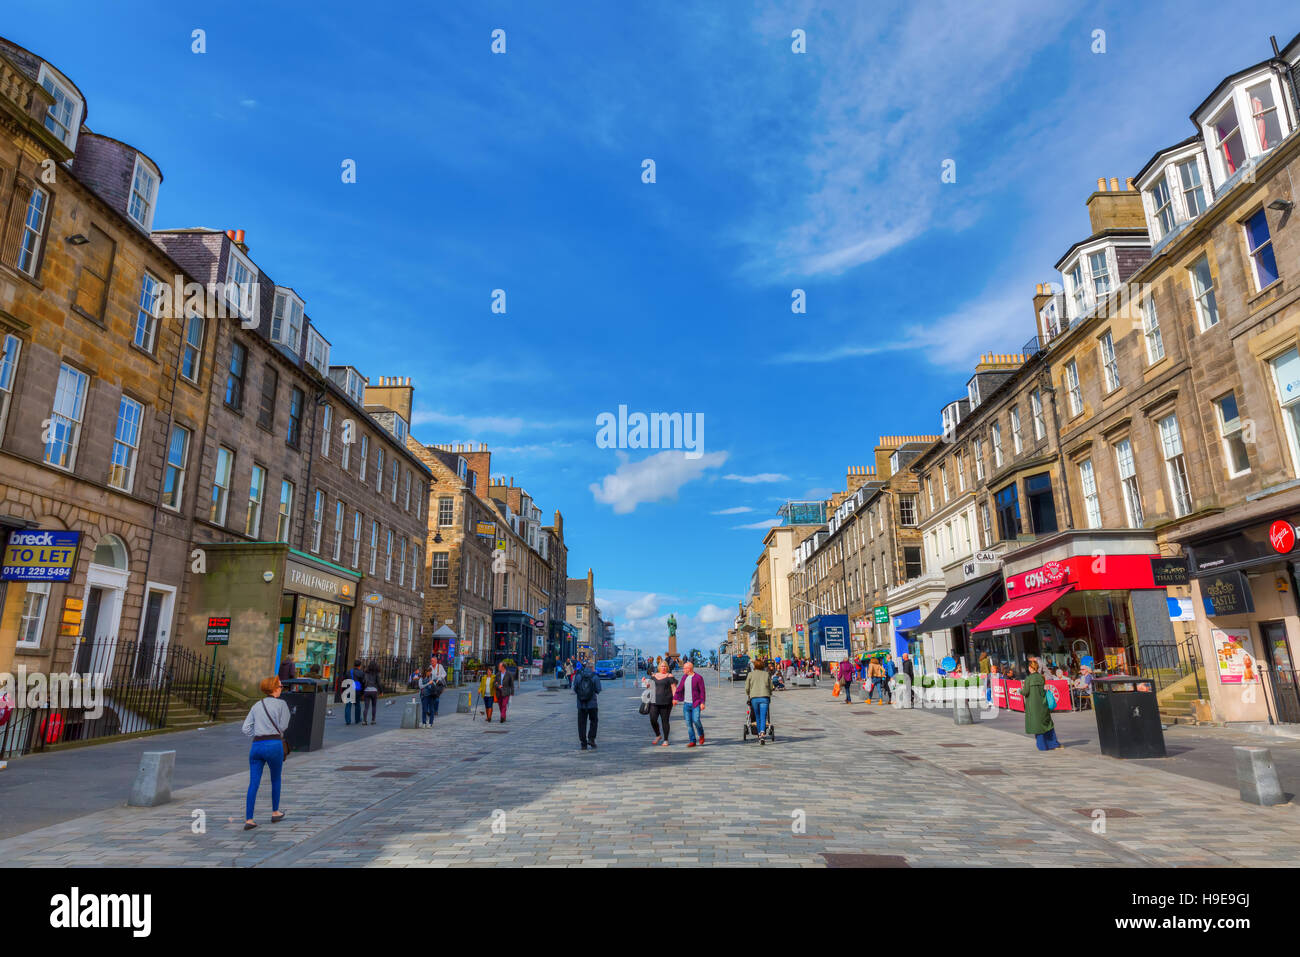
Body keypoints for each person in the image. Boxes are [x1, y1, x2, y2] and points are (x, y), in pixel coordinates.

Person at [241, 675, 290, 830]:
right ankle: (275, 812)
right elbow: (283, 725)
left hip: (257, 745)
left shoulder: (256, 705)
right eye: (281, 687)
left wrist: (259, 733)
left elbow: (245, 728)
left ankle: (249, 819)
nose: (282, 689)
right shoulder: (282, 704)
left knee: (253, 782)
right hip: (274, 744)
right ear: (275, 688)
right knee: (275, 779)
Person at [1023, 659, 1061, 751]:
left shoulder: (1028, 679)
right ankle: (1053, 743)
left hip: (1033, 705)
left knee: (1038, 725)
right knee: (1047, 723)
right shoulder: (1041, 677)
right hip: (1043, 703)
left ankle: (1042, 746)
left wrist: (1018, 690)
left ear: (1030, 668)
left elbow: (1025, 692)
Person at [674, 659, 707, 747]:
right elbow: (680, 688)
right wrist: (675, 698)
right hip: (686, 704)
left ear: (690, 669)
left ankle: (701, 734)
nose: (683, 670)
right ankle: (692, 740)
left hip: (696, 703)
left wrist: (702, 702)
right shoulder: (684, 677)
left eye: (684, 668)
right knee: (688, 724)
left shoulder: (698, 678)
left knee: (696, 720)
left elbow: (702, 691)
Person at [573, 660, 602, 750]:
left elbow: (574, 688)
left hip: (581, 704)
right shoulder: (595, 676)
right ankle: (591, 738)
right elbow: (598, 689)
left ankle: (583, 743)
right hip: (592, 704)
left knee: (581, 723)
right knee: (594, 721)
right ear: (592, 667)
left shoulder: (578, 676)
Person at [648, 659, 677, 746]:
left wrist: (675, 698)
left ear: (667, 667)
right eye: (662, 666)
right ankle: (658, 735)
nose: (663, 668)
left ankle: (666, 739)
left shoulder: (669, 676)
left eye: (665, 666)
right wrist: (645, 682)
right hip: (654, 701)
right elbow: (649, 686)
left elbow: (673, 688)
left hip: (666, 701)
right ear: (659, 667)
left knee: (665, 720)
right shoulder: (654, 675)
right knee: (653, 719)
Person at [745, 657, 774, 744]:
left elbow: (747, 687)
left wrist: (748, 694)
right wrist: (770, 693)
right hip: (765, 697)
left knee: (757, 716)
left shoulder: (750, 674)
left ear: (754, 666)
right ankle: (762, 733)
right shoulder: (766, 674)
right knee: (763, 716)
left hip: (754, 698)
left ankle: (759, 734)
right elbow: (770, 686)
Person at [343, 659, 365, 726]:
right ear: (360, 666)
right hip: (357, 691)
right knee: (357, 705)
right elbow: (363, 683)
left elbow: (345, 681)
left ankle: (348, 721)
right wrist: (362, 692)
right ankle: (357, 719)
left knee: (348, 706)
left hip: (349, 690)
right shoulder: (361, 673)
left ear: (354, 665)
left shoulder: (348, 672)